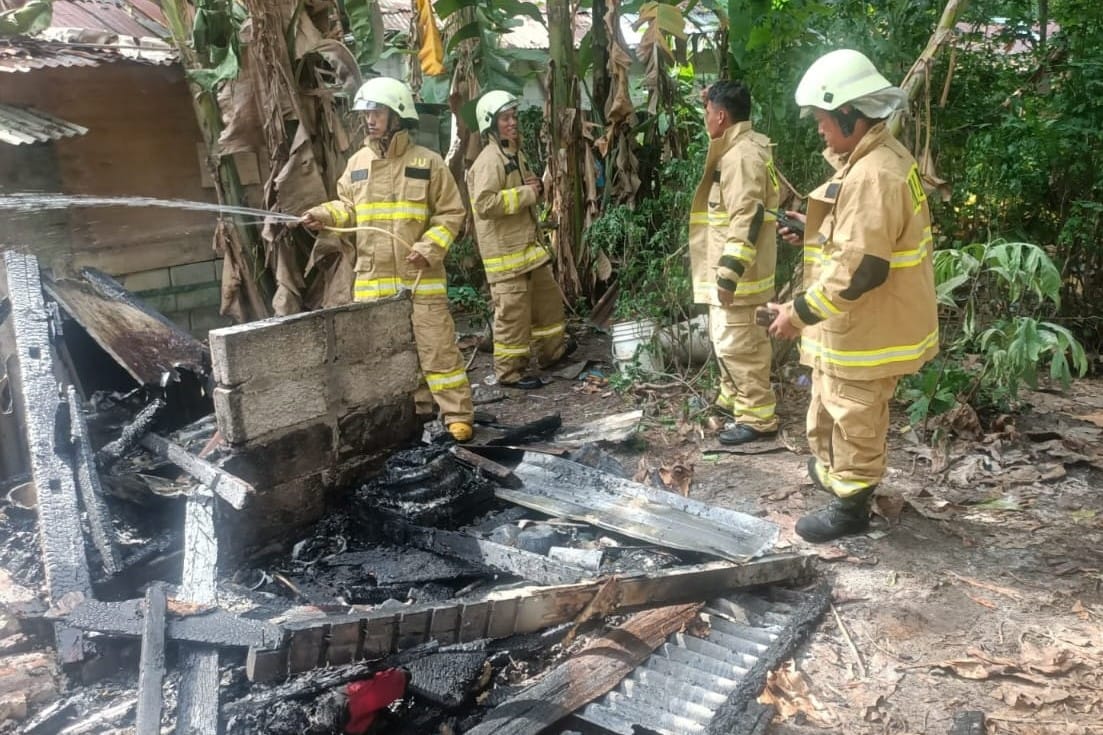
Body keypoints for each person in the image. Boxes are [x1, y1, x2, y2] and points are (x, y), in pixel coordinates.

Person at [766, 49, 939, 542]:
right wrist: (813, 229)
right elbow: (861, 237)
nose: (820, 130)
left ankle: (852, 507)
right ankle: (835, 473)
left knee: (853, 413)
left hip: (869, 327)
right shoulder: (874, 159)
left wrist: (796, 313)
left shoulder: (873, 173)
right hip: (856, 324)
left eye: (823, 120)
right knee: (829, 402)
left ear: (849, 114)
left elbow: (861, 268)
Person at [301, 77, 475, 442]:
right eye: (366, 113)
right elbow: (347, 207)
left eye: (377, 112)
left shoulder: (428, 163)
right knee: (386, 355)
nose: (369, 120)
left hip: (420, 280)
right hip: (371, 282)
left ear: (398, 115)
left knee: (437, 349)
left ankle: (457, 415)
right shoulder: (357, 164)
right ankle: (412, 414)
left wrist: (428, 249)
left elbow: (451, 214)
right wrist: (324, 214)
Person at [689, 80, 780, 445]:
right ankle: (732, 397)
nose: (705, 117)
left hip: (740, 277)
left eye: (708, 111)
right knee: (727, 339)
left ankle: (757, 417)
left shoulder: (740, 156)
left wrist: (728, 273)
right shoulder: (744, 145)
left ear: (721, 116)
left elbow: (747, 216)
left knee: (741, 346)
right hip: (736, 273)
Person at [466, 90, 570, 389]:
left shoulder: (513, 153)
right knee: (512, 317)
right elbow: (484, 205)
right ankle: (510, 373)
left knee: (548, 305)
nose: (512, 123)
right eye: (505, 119)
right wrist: (526, 194)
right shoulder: (489, 160)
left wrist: (535, 187)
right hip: (506, 258)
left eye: (514, 117)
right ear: (491, 124)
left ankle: (553, 353)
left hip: (527, 250)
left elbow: (521, 191)